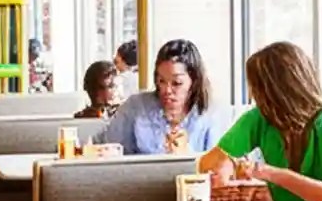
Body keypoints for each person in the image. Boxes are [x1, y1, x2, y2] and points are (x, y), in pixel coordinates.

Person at [198, 42, 322, 201]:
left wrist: (273, 174)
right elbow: (208, 163)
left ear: (279, 90)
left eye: (257, 88)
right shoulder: (260, 119)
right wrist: (226, 167)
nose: (252, 96)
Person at [94, 39, 230, 154]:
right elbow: (105, 149)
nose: (167, 90)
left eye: (177, 83)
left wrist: (188, 156)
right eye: (161, 81)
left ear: (194, 82)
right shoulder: (135, 107)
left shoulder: (212, 114)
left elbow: (220, 166)